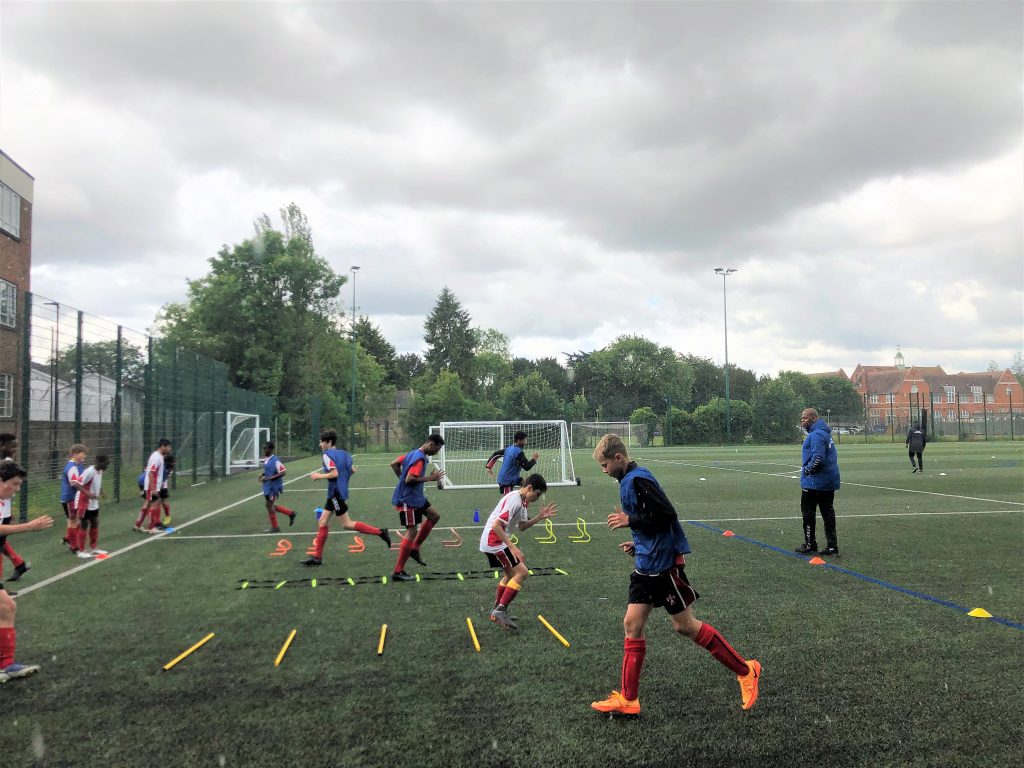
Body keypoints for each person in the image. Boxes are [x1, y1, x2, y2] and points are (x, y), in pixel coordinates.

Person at [589, 434, 761, 716]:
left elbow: (667, 514)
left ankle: (746, 670)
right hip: (646, 564)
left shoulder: (639, 480)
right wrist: (639, 543)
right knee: (632, 623)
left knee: (685, 626)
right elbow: (652, 521)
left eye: (605, 465)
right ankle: (629, 699)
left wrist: (630, 520)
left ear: (618, 458)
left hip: (662, 567)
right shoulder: (629, 479)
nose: (604, 470)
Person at [479, 473, 557, 632]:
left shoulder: (523, 501)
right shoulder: (514, 500)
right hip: (494, 541)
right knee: (522, 573)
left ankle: (497, 609)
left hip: (495, 541)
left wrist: (539, 517)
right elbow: (496, 525)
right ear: (529, 488)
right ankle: (500, 610)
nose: (537, 498)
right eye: (537, 494)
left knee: (510, 575)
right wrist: (512, 547)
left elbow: (522, 526)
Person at [301, 429, 390, 567]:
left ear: (329, 442)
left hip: (335, 493)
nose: (320, 444)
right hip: (336, 492)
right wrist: (343, 480)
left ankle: (380, 532)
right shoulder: (344, 454)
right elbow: (352, 470)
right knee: (323, 521)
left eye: (322, 442)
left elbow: (334, 474)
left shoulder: (326, 455)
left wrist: (319, 476)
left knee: (346, 523)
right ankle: (317, 557)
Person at [0, 461, 55, 683]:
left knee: (6, 608)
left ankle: (5, 666)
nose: (17, 489)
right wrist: (28, 526)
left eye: (19, 485)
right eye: (14, 484)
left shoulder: (5, 500)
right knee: (6, 607)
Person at [389, 434, 446, 582]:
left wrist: (401, 478)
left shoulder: (413, 453)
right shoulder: (419, 459)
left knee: (434, 516)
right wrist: (430, 478)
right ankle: (398, 571)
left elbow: (394, 463)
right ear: (431, 444)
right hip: (408, 499)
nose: (436, 453)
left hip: (417, 497)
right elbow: (410, 479)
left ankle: (415, 548)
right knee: (412, 531)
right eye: (436, 449)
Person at [795, 408, 841, 557]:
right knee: (828, 512)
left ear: (814, 418)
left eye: (805, 418)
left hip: (815, 482)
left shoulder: (816, 435)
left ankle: (810, 544)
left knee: (808, 512)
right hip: (828, 481)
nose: (802, 421)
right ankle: (832, 546)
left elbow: (818, 459)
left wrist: (807, 471)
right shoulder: (824, 433)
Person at [0, 434, 28, 581]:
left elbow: (10, 490)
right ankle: (19, 563)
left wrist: (10, 511)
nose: (15, 450)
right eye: (12, 446)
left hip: (3, 511)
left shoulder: (8, 464)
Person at [133, 439, 172, 534]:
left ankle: (138, 525)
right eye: (168, 447)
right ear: (163, 446)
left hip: (151, 486)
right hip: (152, 486)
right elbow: (151, 473)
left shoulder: (158, 456)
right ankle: (152, 527)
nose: (169, 449)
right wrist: (153, 488)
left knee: (148, 505)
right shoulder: (157, 458)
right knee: (155, 503)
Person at [485, 430, 539, 494]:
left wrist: (488, 466)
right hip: (506, 481)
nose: (526, 441)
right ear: (519, 440)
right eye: (524, 439)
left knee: (527, 485)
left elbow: (496, 454)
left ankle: (522, 498)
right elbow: (527, 467)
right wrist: (534, 459)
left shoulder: (509, 448)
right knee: (508, 498)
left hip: (512, 478)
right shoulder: (518, 452)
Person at [77, 454, 109, 556]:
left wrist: (101, 491)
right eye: (106, 464)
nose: (107, 466)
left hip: (94, 503)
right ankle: (81, 551)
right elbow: (77, 484)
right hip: (84, 502)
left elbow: (96, 483)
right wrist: (88, 493)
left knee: (95, 523)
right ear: (99, 463)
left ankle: (93, 548)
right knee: (84, 525)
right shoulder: (89, 471)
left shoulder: (100, 471)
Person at [259, 441, 295, 532]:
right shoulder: (267, 459)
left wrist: (269, 478)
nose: (264, 450)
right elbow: (271, 470)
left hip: (273, 487)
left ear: (271, 449)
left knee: (269, 505)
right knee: (269, 505)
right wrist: (263, 474)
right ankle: (290, 513)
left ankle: (276, 527)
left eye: (266, 448)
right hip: (269, 486)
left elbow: (283, 472)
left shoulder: (275, 460)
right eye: (263, 448)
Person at [60, 444, 89, 554]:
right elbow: (74, 483)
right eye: (83, 454)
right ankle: (73, 546)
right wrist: (87, 491)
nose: (84, 456)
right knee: (73, 521)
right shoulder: (72, 467)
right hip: (70, 498)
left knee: (77, 520)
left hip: (75, 497)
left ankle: (68, 538)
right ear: (75, 454)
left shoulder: (79, 465)